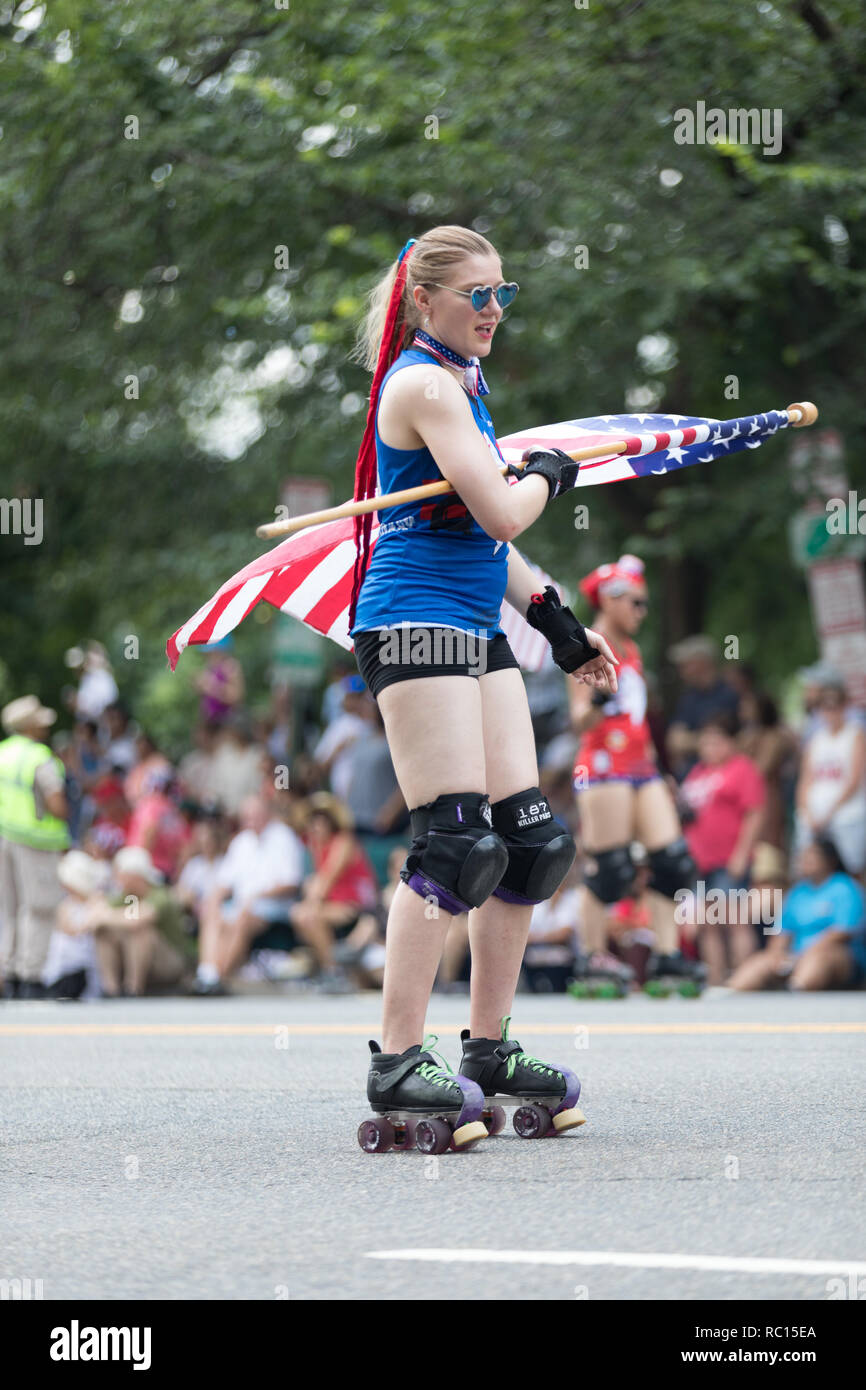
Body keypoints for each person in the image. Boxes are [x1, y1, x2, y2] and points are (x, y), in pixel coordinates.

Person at [346, 225, 617, 1139]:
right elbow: (504, 507)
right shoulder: (422, 386)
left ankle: (489, 1048)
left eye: (505, 293)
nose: (495, 310)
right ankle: (394, 1063)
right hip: (413, 623)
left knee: (529, 843)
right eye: (478, 295)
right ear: (425, 302)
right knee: (455, 845)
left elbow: (487, 538)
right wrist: (546, 473)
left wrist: (558, 624)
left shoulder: (468, 386)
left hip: (473, 620)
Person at [567, 555, 704, 993]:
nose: (642, 612)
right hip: (604, 767)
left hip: (641, 767)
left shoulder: (634, 651)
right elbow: (578, 718)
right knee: (611, 869)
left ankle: (666, 957)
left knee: (671, 862)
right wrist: (600, 700)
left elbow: (640, 722)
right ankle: (592, 958)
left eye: (644, 604)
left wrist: (662, 771)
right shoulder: (586, 644)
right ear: (609, 600)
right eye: (636, 603)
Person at [679, 713, 767, 985]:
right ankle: (716, 981)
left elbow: (755, 813)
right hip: (699, 860)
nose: (710, 748)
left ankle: (743, 980)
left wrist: (742, 853)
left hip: (728, 859)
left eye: (716, 741)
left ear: (730, 743)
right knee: (708, 924)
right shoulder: (697, 773)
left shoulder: (742, 769)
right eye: (705, 742)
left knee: (734, 919)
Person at [193, 795, 305, 994]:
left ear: (267, 814)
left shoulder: (284, 837)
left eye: (255, 815)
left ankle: (219, 978)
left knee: (243, 916)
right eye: (247, 816)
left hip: (274, 905)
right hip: (242, 904)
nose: (251, 820)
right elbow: (224, 882)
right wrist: (214, 899)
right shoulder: (241, 841)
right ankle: (207, 974)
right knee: (213, 909)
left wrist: (257, 897)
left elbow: (291, 884)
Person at [0, 695, 70, 999]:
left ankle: (10, 972)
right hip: (36, 842)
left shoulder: (2, 753)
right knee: (39, 907)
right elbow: (56, 804)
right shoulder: (40, 757)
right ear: (30, 725)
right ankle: (31, 976)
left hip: (4, 837)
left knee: (9, 909)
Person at [728, 839, 866, 991]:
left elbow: (842, 932)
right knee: (756, 966)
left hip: (835, 954)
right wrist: (776, 954)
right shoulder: (798, 892)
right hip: (796, 956)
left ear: (830, 860)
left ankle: (796, 992)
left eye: (812, 855)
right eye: (803, 856)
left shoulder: (845, 887)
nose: (805, 860)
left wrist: (806, 953)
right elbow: (782, 931)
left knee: (815, 964)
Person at [288, 792, 380, 990]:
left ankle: (334, 972)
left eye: (321, 821)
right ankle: (331, 970)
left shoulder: (343, 841)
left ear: (331, 823)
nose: (316, 826)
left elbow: (328, 878)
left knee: (308, 915)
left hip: (359, 906)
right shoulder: (316, 846)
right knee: (302, 914)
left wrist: (310, 904)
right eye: (313, 821)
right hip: (334, 904)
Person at [88, 846, 194, 997]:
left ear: (135, 875)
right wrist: (102, 914)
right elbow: (95, 917)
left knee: (141, 931)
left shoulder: (160, 895)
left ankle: (133, 989)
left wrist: (105, 916)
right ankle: (110, 990)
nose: (117, 877)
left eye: (121, 873)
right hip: (144, 960)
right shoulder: (125, 896)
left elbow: (136, 920)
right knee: (104, 932)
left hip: (172, 963)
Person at [795, 675, 866, 877]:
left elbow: (854, 780)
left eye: (835, 706)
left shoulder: (856, 734)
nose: (830, 712)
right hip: (814, 817)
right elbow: (805, 780)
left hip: (846, 815)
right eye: (824, 706)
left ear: (845, 706)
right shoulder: (816, 739)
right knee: (810, 868)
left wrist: (828, 814)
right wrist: (806, 812)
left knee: (853, 869)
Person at [665, 636, 740, 779]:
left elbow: (739, 741)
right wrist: (709, 741)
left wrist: (691, 741)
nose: (681, 670)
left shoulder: (730, 695)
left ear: (702, 662)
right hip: (693, 777)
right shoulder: (688, 698)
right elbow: (674, 741)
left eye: (686, 664)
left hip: (725, 778)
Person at [43, 849, 108, 1000]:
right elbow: (70, 929)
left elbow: (100, 921)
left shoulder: (96, 902)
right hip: (66, 966)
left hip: (89, 964)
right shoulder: (65, 906)